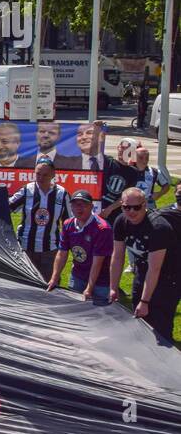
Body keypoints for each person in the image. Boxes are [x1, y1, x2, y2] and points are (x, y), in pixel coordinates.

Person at [109, 187, 181, 341]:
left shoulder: (158, 227)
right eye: (127, 207)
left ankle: (165, 359)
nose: (131, 212)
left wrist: (145, 301)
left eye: (137, 207)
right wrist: (113, 287)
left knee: (160, 327)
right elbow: (117, 257)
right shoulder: (121, 221)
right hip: (142, 272)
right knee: (141, 323)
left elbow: (155, 268)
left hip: (168, 278)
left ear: (145, 205)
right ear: (121, 205)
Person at [9, 157, 73, 282]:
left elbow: (68, 223)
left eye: (45, 175)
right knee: (25, 284)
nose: (40, 178)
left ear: (53, 174)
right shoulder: (26, 191)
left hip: (50, 249)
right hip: (26, 248)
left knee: (49, 284)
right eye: (38, 174)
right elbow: (6, 208)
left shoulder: (62, 194)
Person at [49, 189, 112, 303]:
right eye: (75, 204)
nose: (79, 208)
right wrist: (54, 278)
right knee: (73, 310)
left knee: (101, 314)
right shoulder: (68, 224)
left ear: (91, 206)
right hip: (77, 275)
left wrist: (89, 288)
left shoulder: (102, 229)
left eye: (83, 205)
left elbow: (98, 262)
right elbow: (62, 253)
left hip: (100, 280)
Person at [134, 145, 171, 210]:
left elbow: (166, 186)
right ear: (134, 158)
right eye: (141, 158)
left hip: (148, 203)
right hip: (131, 202)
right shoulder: (128, 170)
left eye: (147, 158)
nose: (144, 161)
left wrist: (159, 194)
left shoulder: (154, 172)